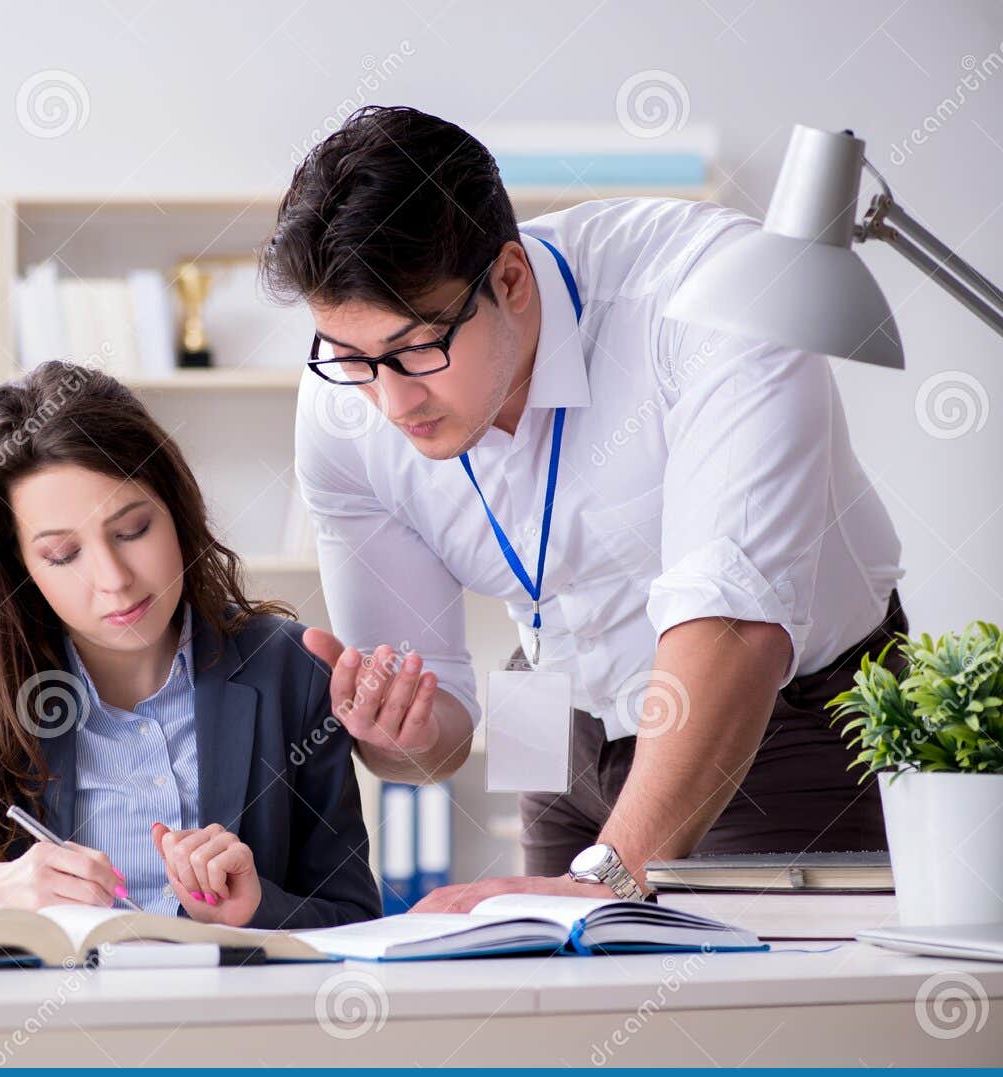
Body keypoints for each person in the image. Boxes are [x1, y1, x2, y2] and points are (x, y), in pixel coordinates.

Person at [259, 105, 905, 911]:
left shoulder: (716, 296)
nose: (391, 402)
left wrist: (606, 877)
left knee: (740, 988)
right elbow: (437, 737)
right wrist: (403, 735)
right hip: (554, 708)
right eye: (352, 359)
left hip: (776, 713)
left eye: (416, 349)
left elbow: (737, 625)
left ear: (510, 279)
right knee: (552, 977)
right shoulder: (341, 405)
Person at [0, 361, 380, 929]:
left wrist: (256, 909)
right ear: (22, 568)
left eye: (133, 529)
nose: (113, 580)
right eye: (61, 554)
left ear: (177, 510)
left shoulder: (286, 668)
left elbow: (353, 917)